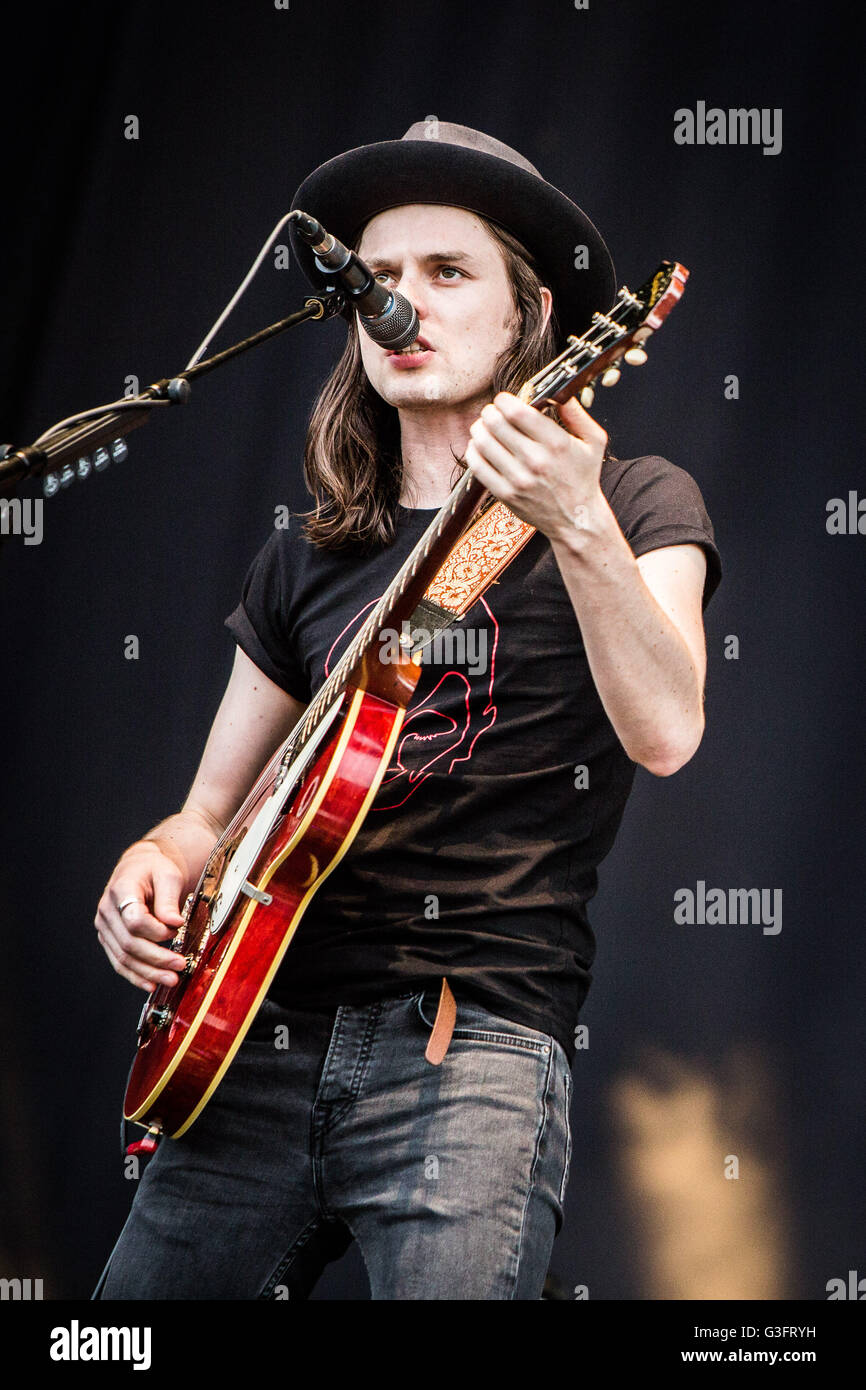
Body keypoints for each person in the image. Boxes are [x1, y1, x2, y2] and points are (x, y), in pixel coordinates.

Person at [92, 122, 721, 1300]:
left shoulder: (634, 500)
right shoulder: (308, 556)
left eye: (445, 272)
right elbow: (202, 818)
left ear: (527, 313)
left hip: (467, 1049)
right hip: (251, 1044)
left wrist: (576, 518)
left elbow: (667, 728)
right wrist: (147, 867)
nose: (401, 304)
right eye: (376, 278)